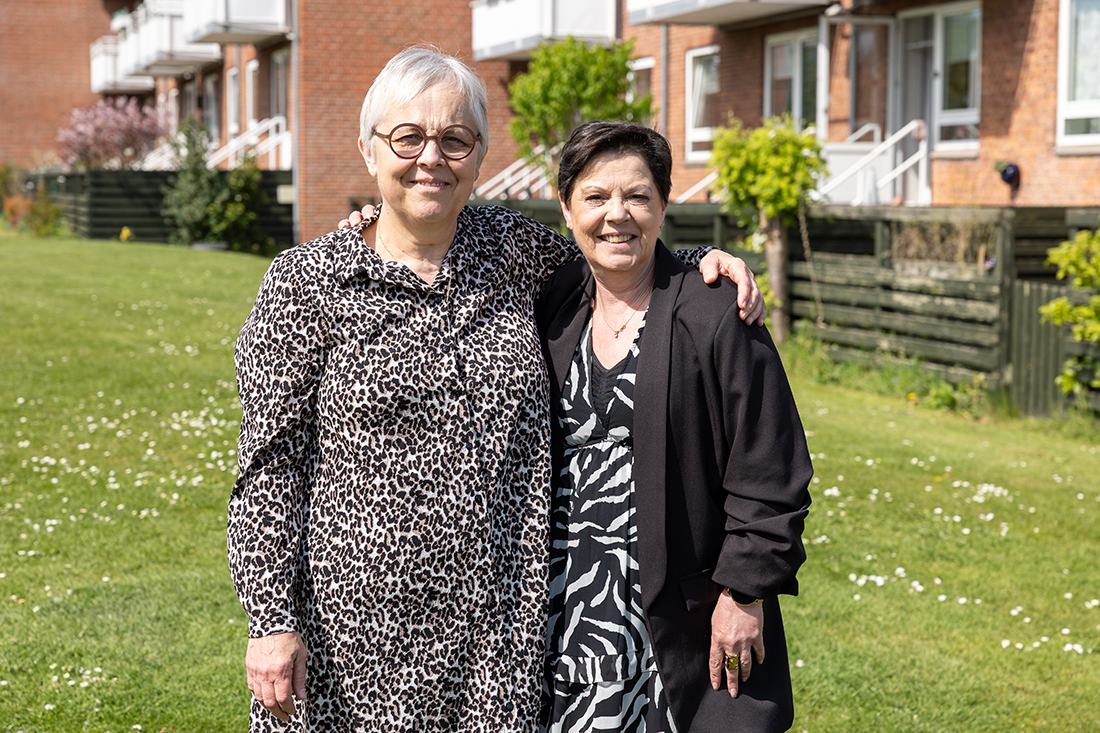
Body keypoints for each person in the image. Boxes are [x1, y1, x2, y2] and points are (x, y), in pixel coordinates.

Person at [230, 46, 764, 733]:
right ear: (369, 152)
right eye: (408, 137)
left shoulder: (513, 251)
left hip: (498, 643)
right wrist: (272, 621)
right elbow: (270, 468)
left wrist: (697, 263)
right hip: (353, 642)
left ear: (479, 156)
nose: (432, 158)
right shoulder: (305, 284)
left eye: (455, 139)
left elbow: (614, 252)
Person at [535, 121, 813, 732]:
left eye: (637, 196)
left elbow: (771, 468)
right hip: (566, 609)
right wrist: (367, 221)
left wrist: (744, 594)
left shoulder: (715, 312)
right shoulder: (553, 302)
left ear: (664, 203)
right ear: (566, 206)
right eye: (596, 196)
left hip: (680, 615)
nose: (618, 215)